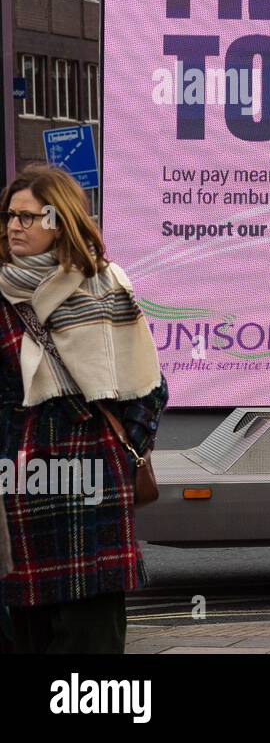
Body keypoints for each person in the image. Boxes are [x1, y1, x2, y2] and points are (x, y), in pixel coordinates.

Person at [0, 165, 168, 653]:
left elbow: (148, 386)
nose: (14, 225)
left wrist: (121, 453)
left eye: (28, 217)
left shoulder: (106, 284)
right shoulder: (3, 296)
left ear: (60, 220)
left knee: (91, 637)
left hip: (90, 483)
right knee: (31, 632)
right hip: (20, 484)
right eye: (10, 215)